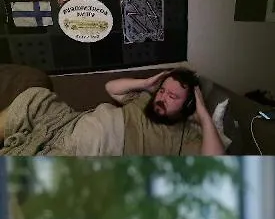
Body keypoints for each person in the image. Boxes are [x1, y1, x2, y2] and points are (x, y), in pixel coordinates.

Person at [0, 68, 224, 156]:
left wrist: (203, 115)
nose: (162, 97)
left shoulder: (187, 137)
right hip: (71, 121)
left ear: (189, 106)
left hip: (88, 149)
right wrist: (146, 83)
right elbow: (111, 88)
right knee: (36, 99)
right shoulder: (146, 100)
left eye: (172, 96)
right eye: (163, 91)